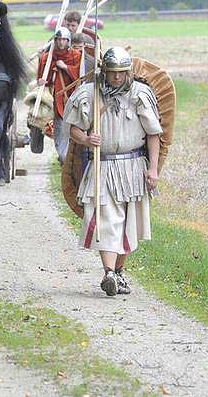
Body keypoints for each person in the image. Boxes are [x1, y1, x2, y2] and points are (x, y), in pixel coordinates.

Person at [64, 46, 162, 296]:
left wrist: (153, 169)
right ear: (104, 71)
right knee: (106, 221)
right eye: (112, 72)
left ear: (129, 72)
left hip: (133, 167)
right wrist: (86, 139)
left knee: (129, 223)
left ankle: (118, 272)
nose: (117, 77)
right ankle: (108, 272)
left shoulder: (140, 94)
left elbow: (153, 134)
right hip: (102, 165)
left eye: (121, 72)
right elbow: (73, 129)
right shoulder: (89, 93)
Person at [36, 27, 81, 164]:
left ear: (68, 41)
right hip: (58, 101)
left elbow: (81, 77)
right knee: (60, 135)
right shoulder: (48, 58)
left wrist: (66, 67)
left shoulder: (76, 55)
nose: (61, 42)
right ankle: (64, 161)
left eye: (64, 40)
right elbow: (44, 78)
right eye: (59, 39)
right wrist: (42, 81)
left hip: (74, 99)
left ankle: (72, 162)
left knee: (76, 134)